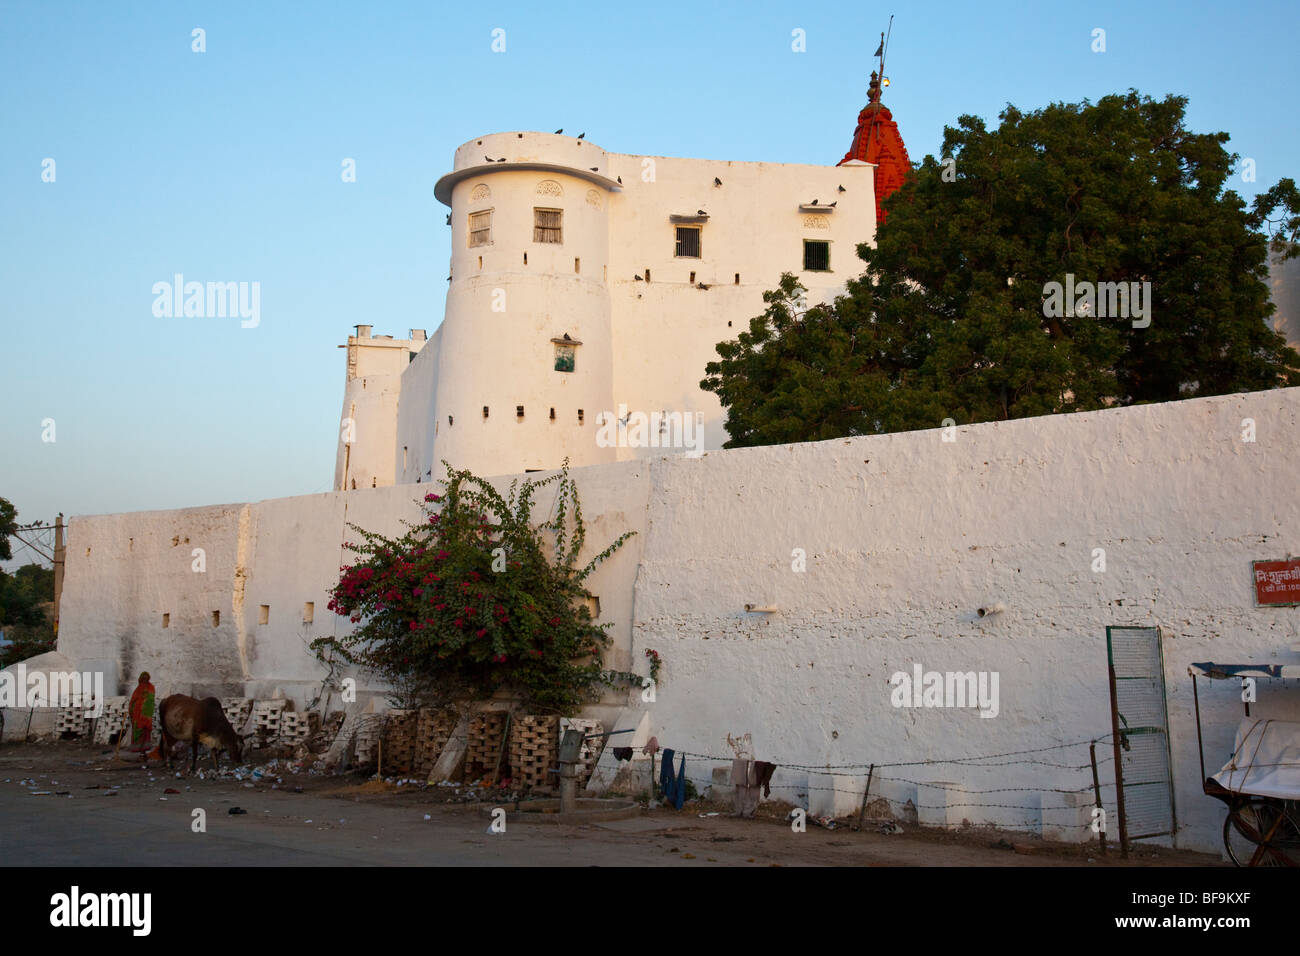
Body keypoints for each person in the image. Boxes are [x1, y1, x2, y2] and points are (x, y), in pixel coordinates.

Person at [128, 671, 155, 754]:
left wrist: (131, 711)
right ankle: (142, 747)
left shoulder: (143, 688)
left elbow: (133, 702)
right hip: (143, 715)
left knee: (141, 731)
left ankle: (140, 747)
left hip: (141, 715)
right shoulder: (149, 688)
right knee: (143, 731)